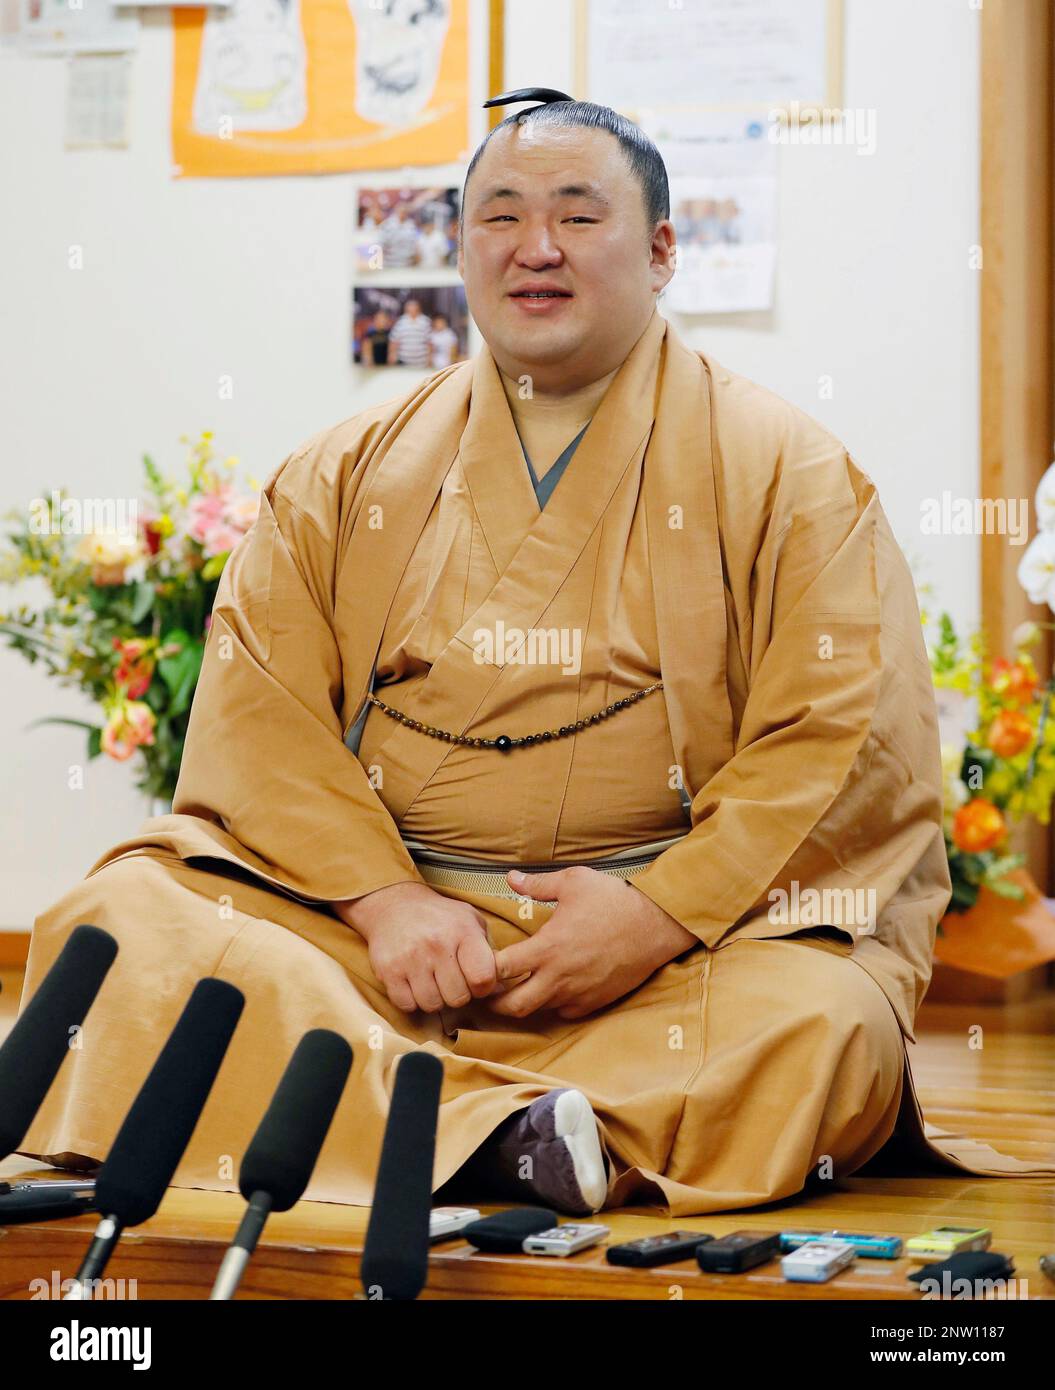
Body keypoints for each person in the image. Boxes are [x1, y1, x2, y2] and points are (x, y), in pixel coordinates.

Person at [16, 89, 1052, 1217]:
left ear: (661, 251)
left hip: (670, 956)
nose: (534, 249)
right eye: (498, 216)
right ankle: (513, 1140)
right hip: (387, 945)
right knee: (118, 925)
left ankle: (394, 1118)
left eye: (576, 214)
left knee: (822, 1027)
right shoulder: (347, 471)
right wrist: (381, 902)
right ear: (459, 247)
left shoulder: (784, 470)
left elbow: (840, 737)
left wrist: (658, 911)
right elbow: (256, 712)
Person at [387, 298, 432, 367]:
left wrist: (429, 358)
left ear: (418, 308)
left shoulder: (425, 321)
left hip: (422, 361)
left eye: (414, 307)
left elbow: (429, 342)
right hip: (403, 361)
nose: (412, 309)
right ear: (406, 309)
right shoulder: (401, 321)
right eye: (410, 307)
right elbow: (394, 340)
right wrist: (392, 354)